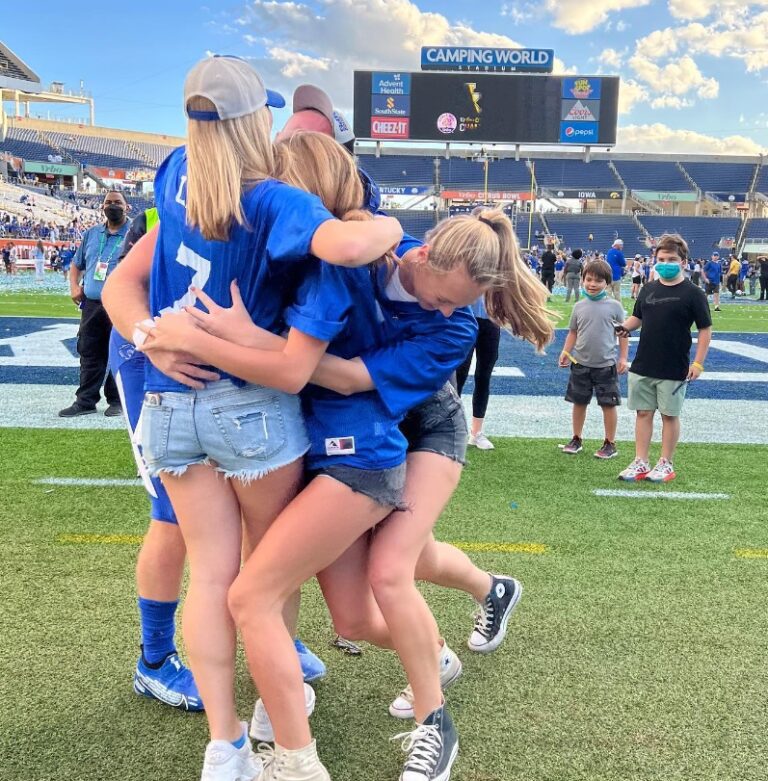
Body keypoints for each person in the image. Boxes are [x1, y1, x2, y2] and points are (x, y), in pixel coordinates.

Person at [139, 202, 552, 781]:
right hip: (344, 435)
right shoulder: (364, 248)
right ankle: (474, 608)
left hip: (417, 429)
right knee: (361, 612)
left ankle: (432, 721)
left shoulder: (456, 325)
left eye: (458, 304)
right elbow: (337, 193)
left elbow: (346, 376)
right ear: (423, 253)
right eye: (441, 297)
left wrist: (248, 339)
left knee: (391, 567)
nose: (446, 310)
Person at [104, 57, 402, 781]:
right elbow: (354, 245)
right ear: (251, 121)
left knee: (210, 576)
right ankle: (274, 713)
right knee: (271, 578)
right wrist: (380, 213)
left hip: (173, 402)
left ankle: (224, 743)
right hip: (253, 406)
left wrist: (152, 340)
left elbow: (125, 281)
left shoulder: (175, 170)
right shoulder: (272, 200)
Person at [616, 233, 712, 483]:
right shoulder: (648, 288)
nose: (665, 262)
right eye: (660, 258)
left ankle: (666, 463)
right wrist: (623, 327)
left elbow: (705, 329)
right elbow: (637, 318)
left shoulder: (694, 294)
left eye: (671, 258)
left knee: (669, 415)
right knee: (643, 414)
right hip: (643, 364)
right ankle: (640, 461)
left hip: (674, 366)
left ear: (683, 261)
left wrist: (698, 362)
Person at [59, 190, 131, 418]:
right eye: (108, 202)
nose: (113, 206)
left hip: (122, 304)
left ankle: (117, 400)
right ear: (102, 207)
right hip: (92, 304)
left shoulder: (136, 233)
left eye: (118, 202)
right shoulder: (92, 234)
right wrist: (74, 286)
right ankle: (85, 401)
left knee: (120, 353)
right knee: (89, 352)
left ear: (127, 207)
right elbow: (76, 264)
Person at [559, 259, 628, 459]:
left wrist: (623, 358)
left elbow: (623, 334)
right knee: (578, 402)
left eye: (598, 280)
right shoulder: (579, 306)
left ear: (607, 282)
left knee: (608, 404)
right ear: (582, 280)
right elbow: (573, 332)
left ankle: (610, 442)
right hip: (580, 363)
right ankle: (576, 438)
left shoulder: (615, 306)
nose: (592, 284)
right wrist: (565, 351)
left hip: (605, 366)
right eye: (588, 279)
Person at [455, 294, 502, 450]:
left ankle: (476, 433)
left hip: (492, 321)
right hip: (464, 319)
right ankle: (452, 430)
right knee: (458, 376)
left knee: (484, 376)